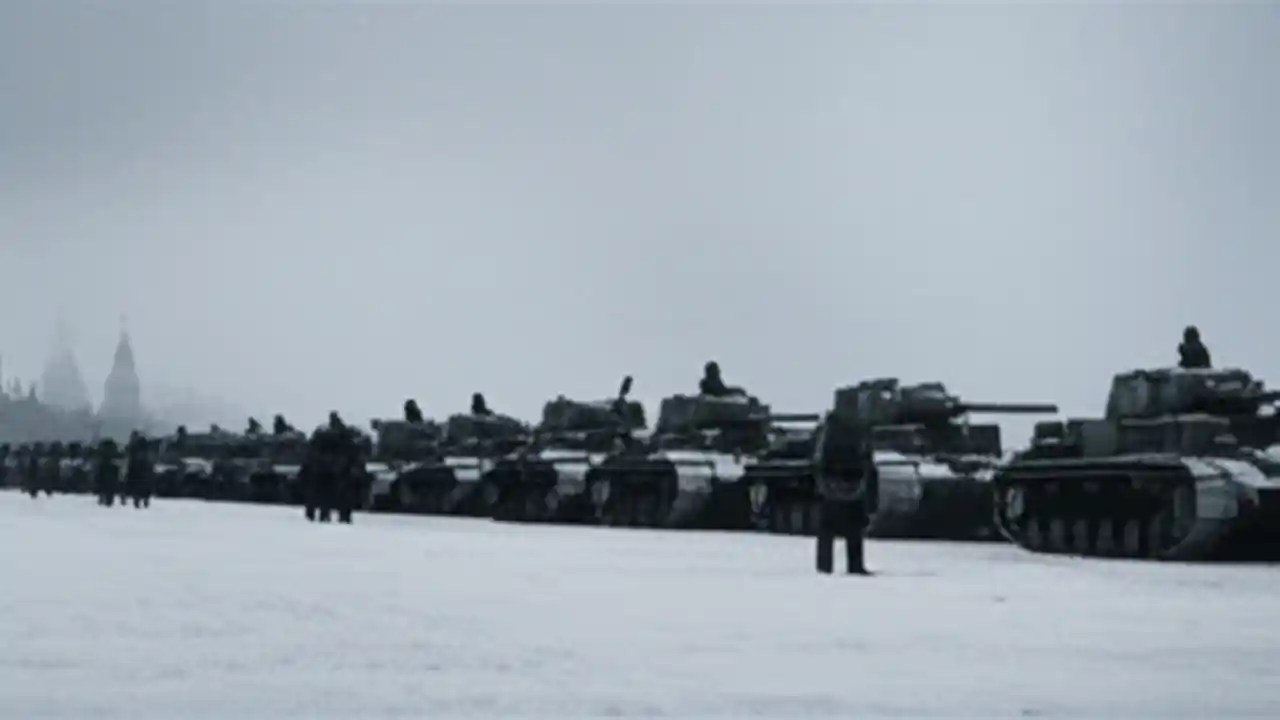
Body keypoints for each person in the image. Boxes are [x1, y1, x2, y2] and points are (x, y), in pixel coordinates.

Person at [812, 411, 878, 575]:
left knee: (827, 530)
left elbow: (818, 462)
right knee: (854, 530)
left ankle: (824, 566)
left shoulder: (829, 434)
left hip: (831, 487)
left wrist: (822, 485)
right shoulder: (859, 433)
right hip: (854, 486)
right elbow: (868, 461)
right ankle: (855, 565)